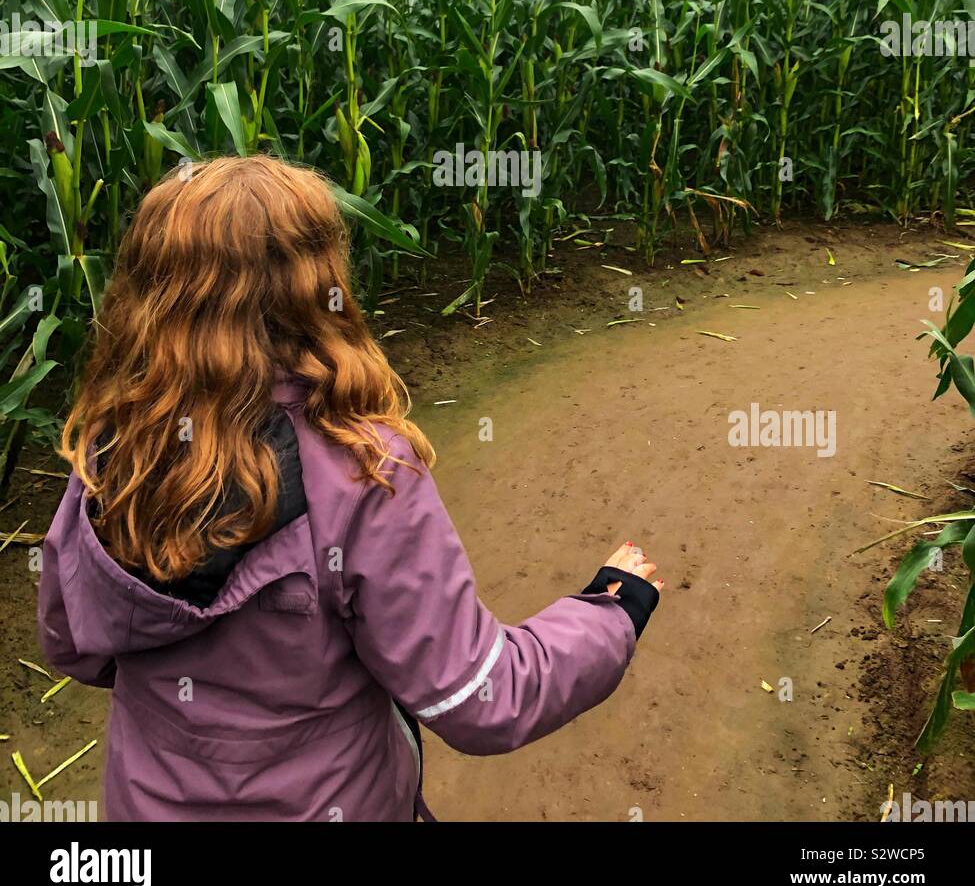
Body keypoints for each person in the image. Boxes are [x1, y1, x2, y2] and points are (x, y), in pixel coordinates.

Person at [38, 155, 663, 822]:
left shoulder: (113, 446)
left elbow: (71, 642)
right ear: (318, 283)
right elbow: (478, 698)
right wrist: (607, 612)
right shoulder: (362, 468)